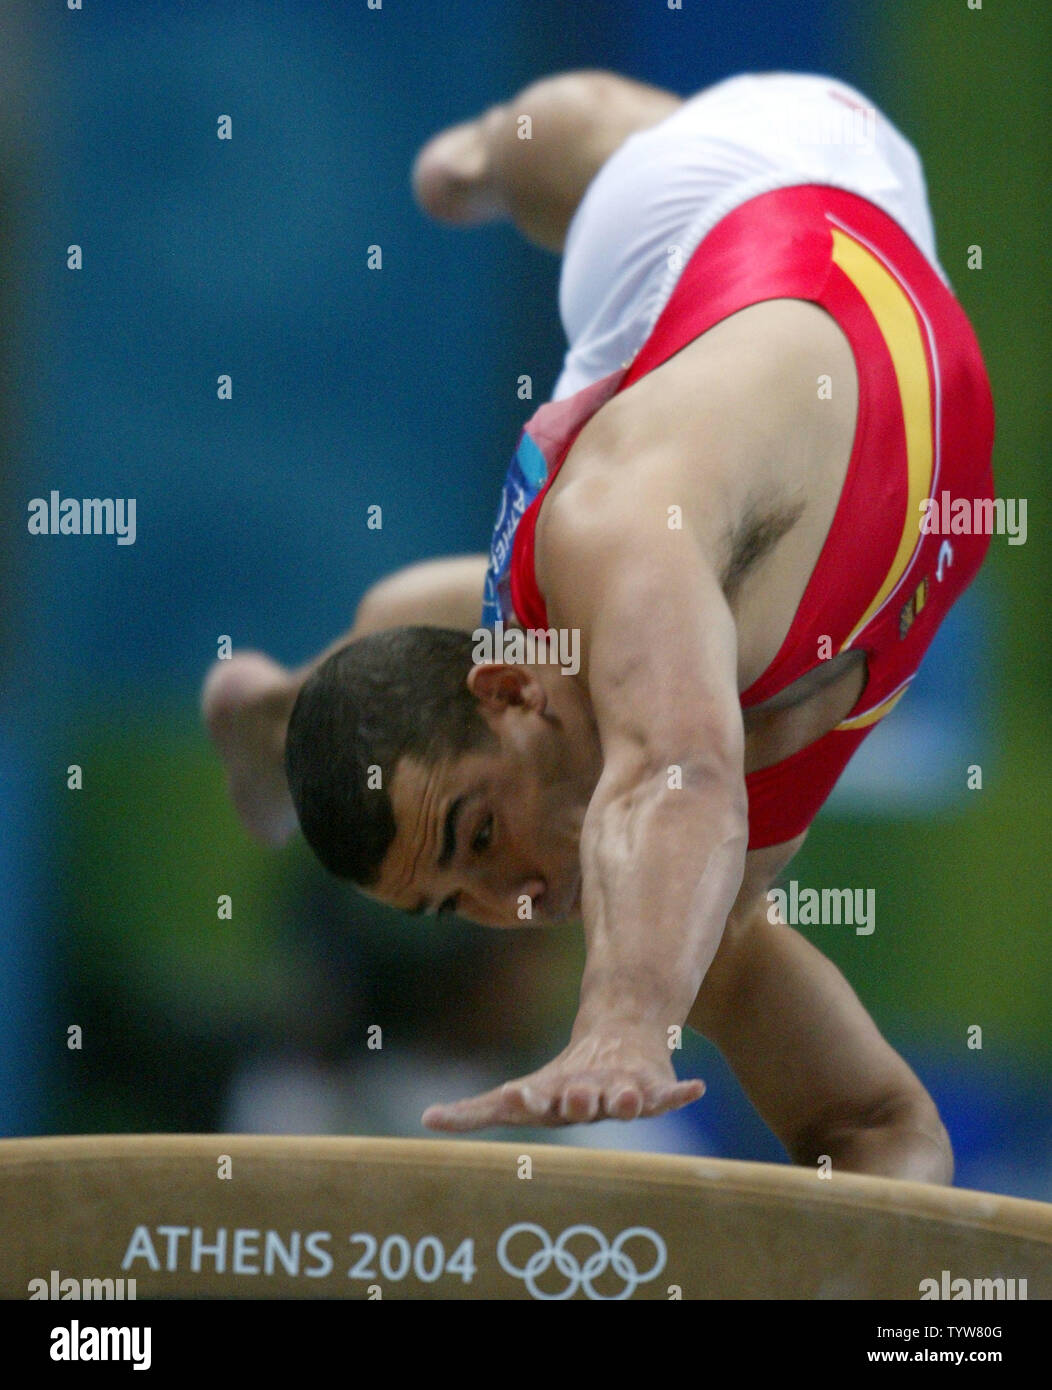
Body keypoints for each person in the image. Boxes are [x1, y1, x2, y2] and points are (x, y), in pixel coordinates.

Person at [202, 71, 994, 1181]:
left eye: (478, 839)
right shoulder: (695, 893)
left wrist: (624, 1014)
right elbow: (875, 1127)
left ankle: (476, 152)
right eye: (452, 903)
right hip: (805, 402)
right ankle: (278, 712)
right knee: (430, 635)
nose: (510, 903)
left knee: (572, 166)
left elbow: (679, 766)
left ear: (512, 694)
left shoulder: (617, 524)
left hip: (763, 192)